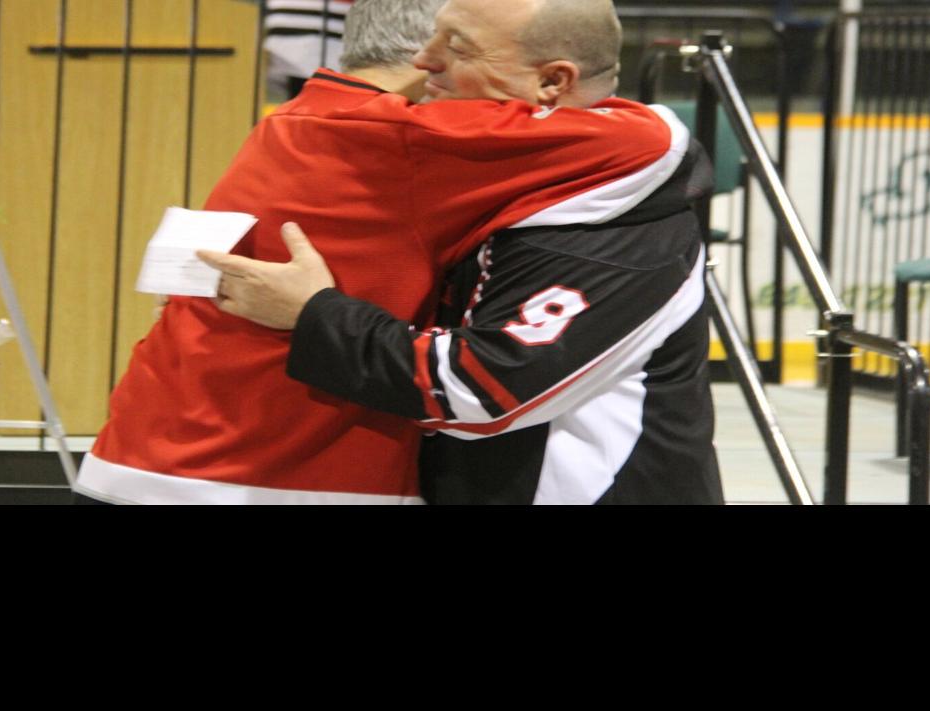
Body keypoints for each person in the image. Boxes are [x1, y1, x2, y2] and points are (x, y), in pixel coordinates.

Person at [76, 0, 687, 504]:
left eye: (457, 43)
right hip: (283, 479)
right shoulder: (407, 139)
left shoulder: (287, 122)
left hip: (136, 450)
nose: (432, 60)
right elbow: (656, 143)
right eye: (440, 39)